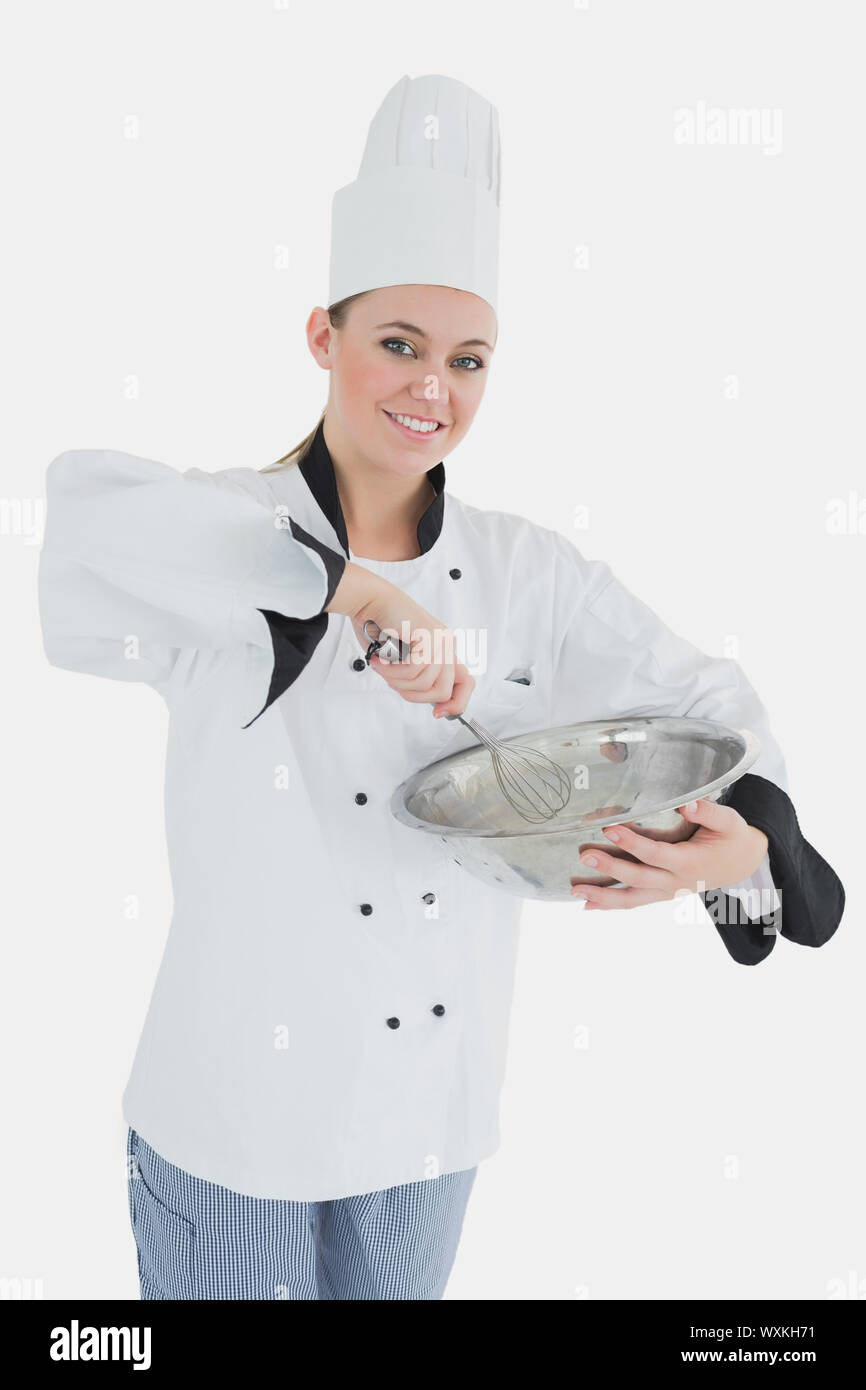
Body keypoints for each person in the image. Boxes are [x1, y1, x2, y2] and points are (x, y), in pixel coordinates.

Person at [37, 74, 844, 1301]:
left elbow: (704, 697)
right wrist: (357, 591)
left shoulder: (530, 571)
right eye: (398, 345)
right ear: (324, 337)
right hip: (232, 1122)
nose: (433, 389)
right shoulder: (225, 531)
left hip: (428, 1123)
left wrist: (737, 861)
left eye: (467, 359)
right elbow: (82, 529)